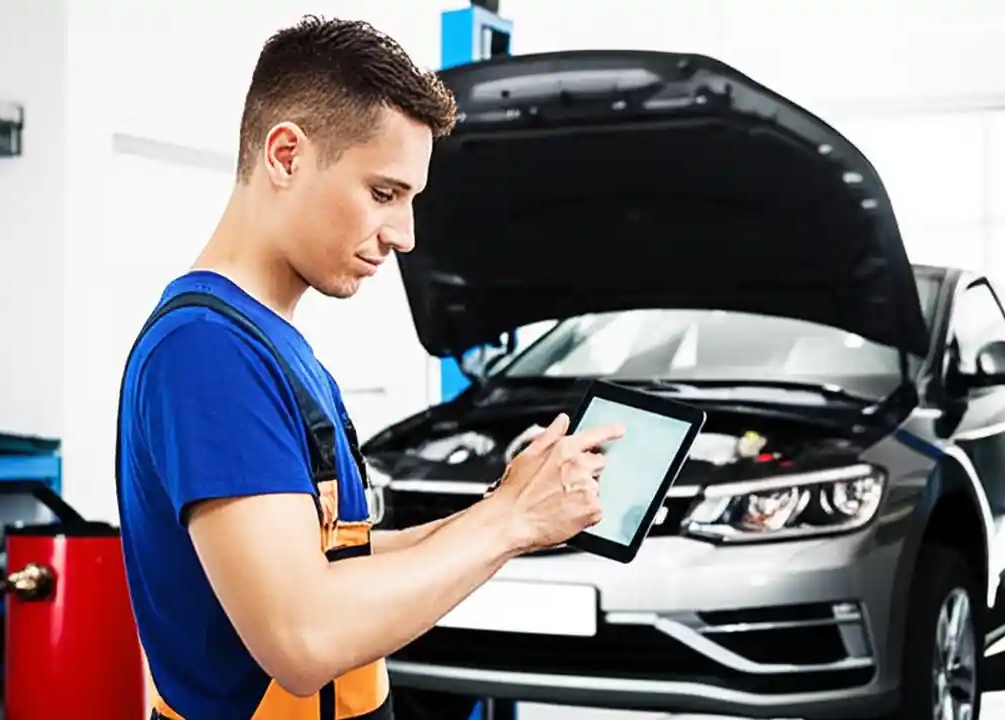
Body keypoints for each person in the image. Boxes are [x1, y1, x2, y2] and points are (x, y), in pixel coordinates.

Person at [114, 16, 624, 720]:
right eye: (384, 194)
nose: (404, 236)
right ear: (286, 156)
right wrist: (508, 522)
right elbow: (304, 638)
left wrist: (510, 507)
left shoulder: (268, 342)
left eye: (411, 200)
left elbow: (339, 559)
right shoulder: (207, 354)